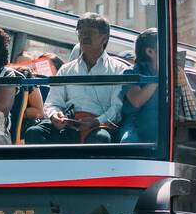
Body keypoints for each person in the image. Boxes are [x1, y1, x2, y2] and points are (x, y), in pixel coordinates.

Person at [25, 13, 128, 145]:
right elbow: (53, 102)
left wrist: (96, 121)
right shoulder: (66, 69)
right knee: (34, 133)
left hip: (98, 126)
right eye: (81, 32)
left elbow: (117, 108)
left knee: (100, 139)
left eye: (90, 32)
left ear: (104, 38)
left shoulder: (119, 70)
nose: (84, 36)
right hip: (67, 124)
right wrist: (55, 115)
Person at [119, 29, 159, 144]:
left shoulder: (172, 72)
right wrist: (158, 76)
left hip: (163, 125)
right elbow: (136, 101)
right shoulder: (131, 72)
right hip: (136, 126)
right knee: (129, 142)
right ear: (150, 51)